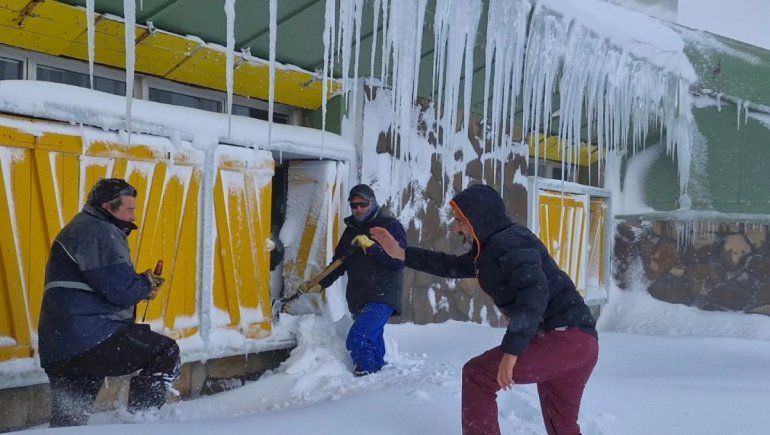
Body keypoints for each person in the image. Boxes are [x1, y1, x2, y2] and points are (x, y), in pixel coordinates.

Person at [370, 184, 598, 435]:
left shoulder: (512, 244)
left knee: (477, 375)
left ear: (478, 218)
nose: (456, 227)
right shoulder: (493, 248)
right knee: (561, 425)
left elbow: (534, 291)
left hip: (563, 337)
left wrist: (512, 351)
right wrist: (401, 253)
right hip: (581, 343)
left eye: (460, 220)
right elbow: (451, 266)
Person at [38, 178, 180, 427]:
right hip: (90, 338)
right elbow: (120, 290)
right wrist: (145, 284)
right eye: (129, 209)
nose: (133, 217)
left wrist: (140, 283)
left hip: (60, 345)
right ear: (107, 206)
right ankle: (142, 423)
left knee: (69, 422)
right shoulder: (98, 231)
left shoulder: (80, 229)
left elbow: (105, 282)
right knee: (165, 352)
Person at [300, 184, 407, 376]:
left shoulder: (389, 227)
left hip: (382, 295)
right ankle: (378, 379)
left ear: (372, 203)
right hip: (360, 296)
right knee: (372, 342)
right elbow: (339, 263)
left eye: (363, 203)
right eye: (354, 205)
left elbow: (398, 259)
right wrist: (320, 283)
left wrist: (371, 247)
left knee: (358, 339)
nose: (358, 208)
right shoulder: (351, 232)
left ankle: (365, 377)